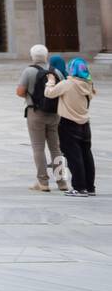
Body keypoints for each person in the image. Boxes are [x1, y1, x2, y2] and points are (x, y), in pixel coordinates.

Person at [17, 44, 67, 192]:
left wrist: (30, 95)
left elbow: (20, 91)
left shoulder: (29, 71)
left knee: (38, 147)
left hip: (35, 113)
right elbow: (63, 89)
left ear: (32, 56)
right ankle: (62, 182)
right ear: (46, 56)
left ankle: (43, 182)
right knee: (56, 148)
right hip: (54, 113)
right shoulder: (56, 71)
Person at [47, 58, 96, 197]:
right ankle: (90, 187)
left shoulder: (67, 84)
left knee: (74, 157)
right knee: (87, 156)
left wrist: (50, 80)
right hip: (85, 124)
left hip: (68, 124)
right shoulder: (88, 84)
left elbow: (49, 93)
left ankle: (79, 188)